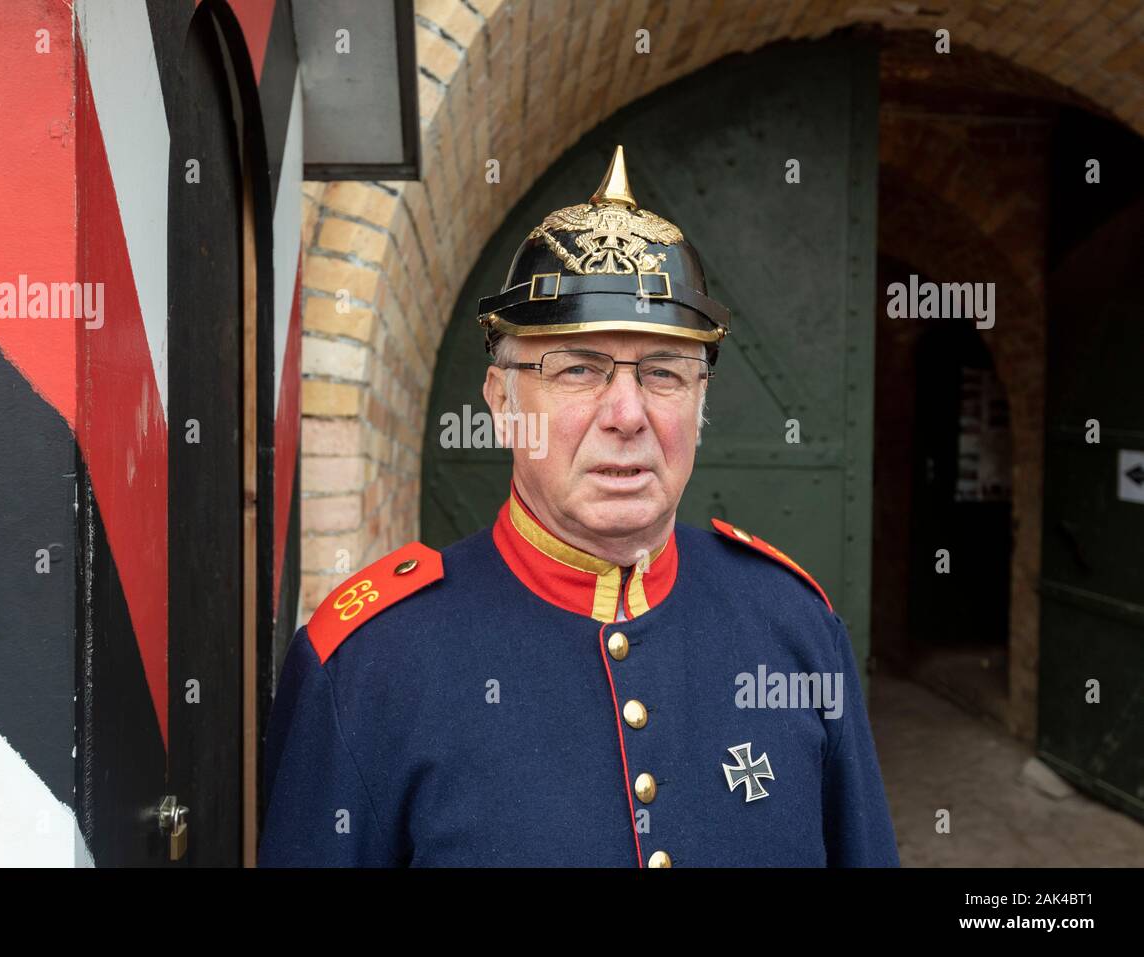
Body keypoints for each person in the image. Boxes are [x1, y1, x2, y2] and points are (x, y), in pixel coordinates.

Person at [258, 145, 899, 867]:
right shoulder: (367, 668)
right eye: (577, 369)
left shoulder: (797, 631)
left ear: (699, 402)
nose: (626, 413)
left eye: (663, 372)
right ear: (502, 404)